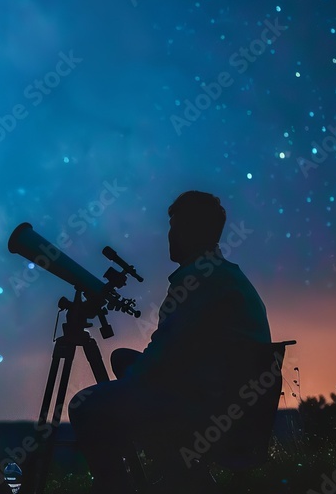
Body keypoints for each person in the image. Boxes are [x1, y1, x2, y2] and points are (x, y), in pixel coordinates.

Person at [69, 191, 272, 493]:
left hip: (207, 408)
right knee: (123, 359)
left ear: (194, 231)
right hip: (225, 396)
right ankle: (181, 470)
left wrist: (125, 391)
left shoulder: (196, 281)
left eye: (175, 228)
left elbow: (163, 354)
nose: (169, 236)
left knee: (85, 404)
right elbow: (177, 350)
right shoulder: (223, 275)